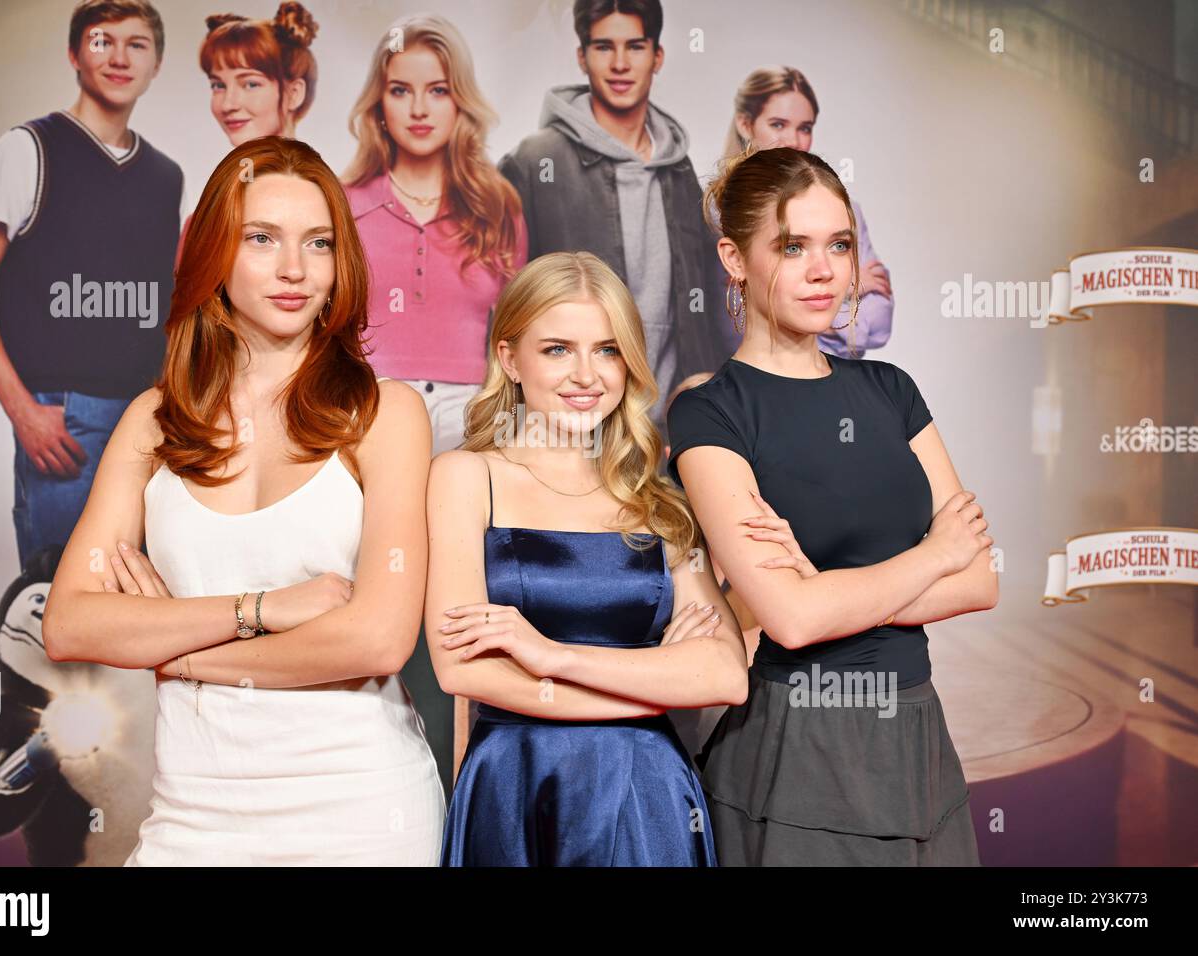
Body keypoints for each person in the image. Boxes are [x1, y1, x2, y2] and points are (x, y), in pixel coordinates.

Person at [41, 136, 446, 865]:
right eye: (262, 239)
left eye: (318, 243)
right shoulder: (153, 420)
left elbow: (378, 640)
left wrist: (176, 649)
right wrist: (259, 610)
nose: (295, 268)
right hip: (192, 818)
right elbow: (69, 622)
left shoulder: (387, 413)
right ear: (215, 254)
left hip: (362, 809)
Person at [667, 146, 997, 865]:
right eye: (792, 246)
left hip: (917, 738)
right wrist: (933, 556)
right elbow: (789, 619)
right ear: (733, 257)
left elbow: (981, 582)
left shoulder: (891, 391)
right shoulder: (710, 414)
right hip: (799, 752)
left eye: (839, 245)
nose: (824, 271)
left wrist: (823, 590)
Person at [427, 251, 748, 866]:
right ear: (508, 358)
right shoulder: (465, 477)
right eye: (557, 349)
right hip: (513, 788)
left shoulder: (658, 502)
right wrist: (656, 682)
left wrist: (551, 656)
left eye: (607, 349)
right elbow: (461, 671)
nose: (586, 374)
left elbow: (726, 677)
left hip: (648, 794)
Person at [343, 14, 529, 790]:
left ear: (460, 105)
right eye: (400, 91)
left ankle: (464, 786)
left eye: (438, 91)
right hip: (371, 417)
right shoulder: (344, 203)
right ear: (378, 104)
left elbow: (512, 334)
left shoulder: (498, 205)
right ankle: (382, 775)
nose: (419, 108)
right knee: (381, 588)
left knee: (459, 597)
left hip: (469, 417)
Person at [0, 0, 185, 571]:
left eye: (137, 44)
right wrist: (23, 410)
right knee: (55, 599)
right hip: (63, 422)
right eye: (103, 42)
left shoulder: (165, 175)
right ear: (75, 55)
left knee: (134, 603)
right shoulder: (28, 150)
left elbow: (163, 305)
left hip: (147, 418)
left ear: (156, 64)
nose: (120, 58)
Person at [497, 0, 733, 441]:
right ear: (582, 56)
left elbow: (704, 303)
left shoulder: (681, 172)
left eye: (635, 47)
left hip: (672, 429)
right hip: (573, 424)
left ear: (657, 57)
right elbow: (500, 301)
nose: (621, 64)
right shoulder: (534, 162)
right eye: (604, 47)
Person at [722, 66, 893, 358]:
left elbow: (880, 318)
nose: (793, 140)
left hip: (838, 378)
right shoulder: (722, 214)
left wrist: (818, 316)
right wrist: (845, 294)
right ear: (745, 124)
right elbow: (726, 321)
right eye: (792, 247)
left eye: (840, 246)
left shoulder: (845, 209)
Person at [174, 1, 321, 270]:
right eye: (218, 85)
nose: (228, 103)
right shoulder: (202, 223)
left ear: (293, 93)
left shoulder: (341, 209)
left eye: (250, 83)